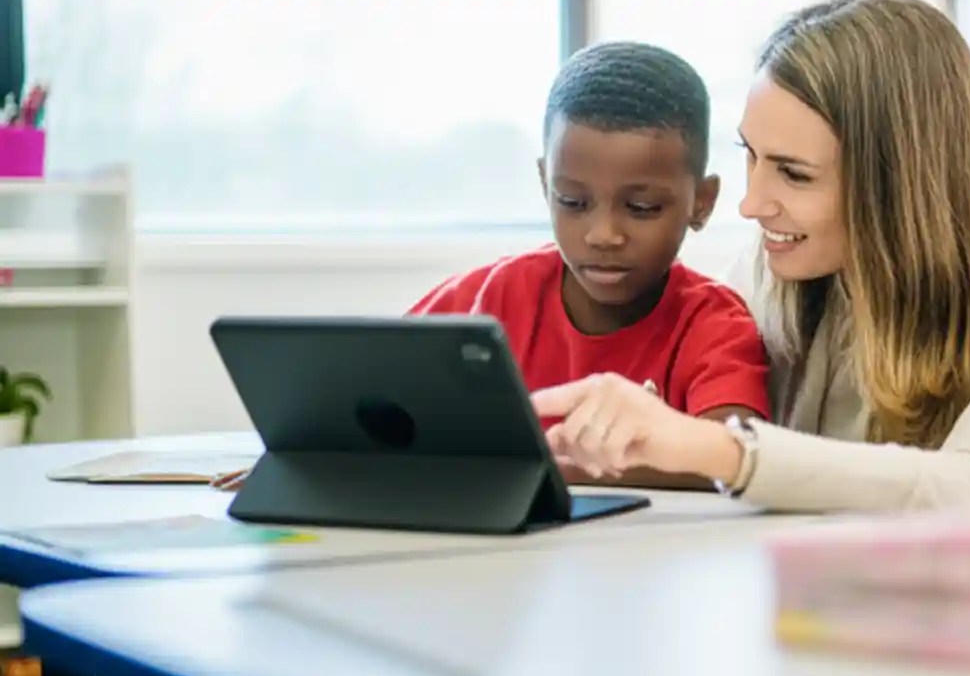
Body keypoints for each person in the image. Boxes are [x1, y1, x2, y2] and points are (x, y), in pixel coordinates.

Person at [531, 0, 970, 511]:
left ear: (900, 180)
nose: (752, 203)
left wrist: (722, 450)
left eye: (794, 174)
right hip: (815, 610)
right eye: (751, 156)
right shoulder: (769, 272)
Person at [214, 41, 770, 492]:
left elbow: (733, 455)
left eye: (642, 207)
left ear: (701, 202)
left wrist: (546, 468)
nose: (603, 234)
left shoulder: (713, 324)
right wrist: (320, 461)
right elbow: (365, 398)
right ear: (543, 184)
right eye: (572, 202)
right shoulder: (491, 297)